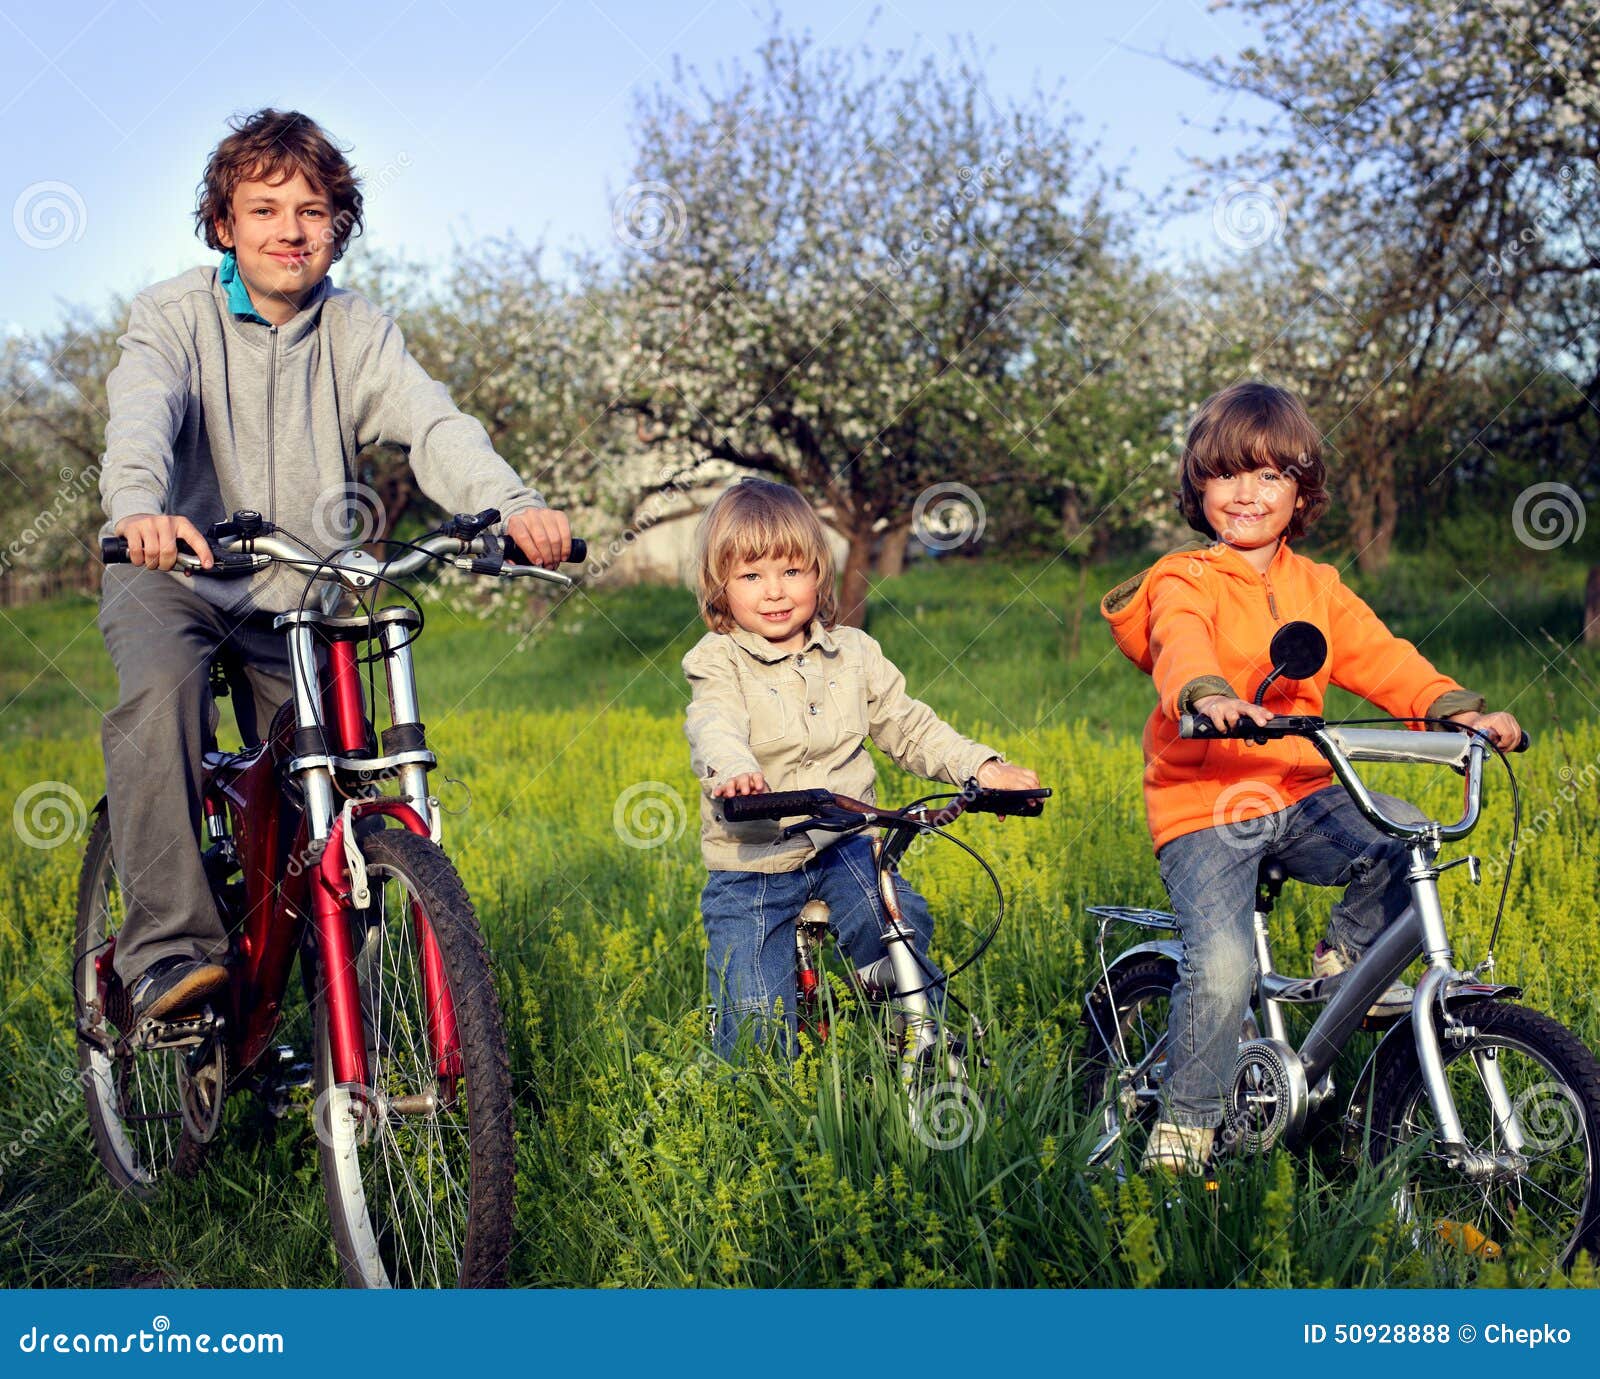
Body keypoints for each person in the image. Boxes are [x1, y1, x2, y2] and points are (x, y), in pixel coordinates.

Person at [98, 108, 571, 1025]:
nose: (290, 230)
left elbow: (432, 421)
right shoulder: (173, 315)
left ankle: (318, 1016)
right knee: (159, 701)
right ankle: (168, 954)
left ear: (337, 227)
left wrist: (511, 504)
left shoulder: (356, 330)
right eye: (265, 208)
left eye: (312, 211)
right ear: (225, 225)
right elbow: (142, 413)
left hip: (301, 592)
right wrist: (138, 511)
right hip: (176, 574)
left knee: (331, 786)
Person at [1100, 380, 1522, 1173]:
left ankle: (1342, 964)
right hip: (1206, 805)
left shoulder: (1318, 587)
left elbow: (1380, 655)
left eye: (1271, 475)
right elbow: (1179, 642)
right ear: (1199, 487)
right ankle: (1182, 1134)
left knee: (1408, 841)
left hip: (1302, 791)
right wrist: (1209, 694)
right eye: (1227, 473)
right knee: (1223, 967)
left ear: (1302, 491)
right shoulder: (1182, 577)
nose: (1248, 493)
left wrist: (1453, 707)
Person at [683, 478, 1040, 1058]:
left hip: (844, 842)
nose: (774, 591)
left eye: (791, 571)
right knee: (755, 1027)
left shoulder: (855, 654)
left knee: (899, 927)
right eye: (751, 576)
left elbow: (909, 727)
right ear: (721, 586)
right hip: (752, 861)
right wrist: (735, 771)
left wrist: (982, 767)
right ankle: (762, 1098)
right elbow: (713, 723)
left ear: (819, 573)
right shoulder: (719, 660)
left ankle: (918, 1039)